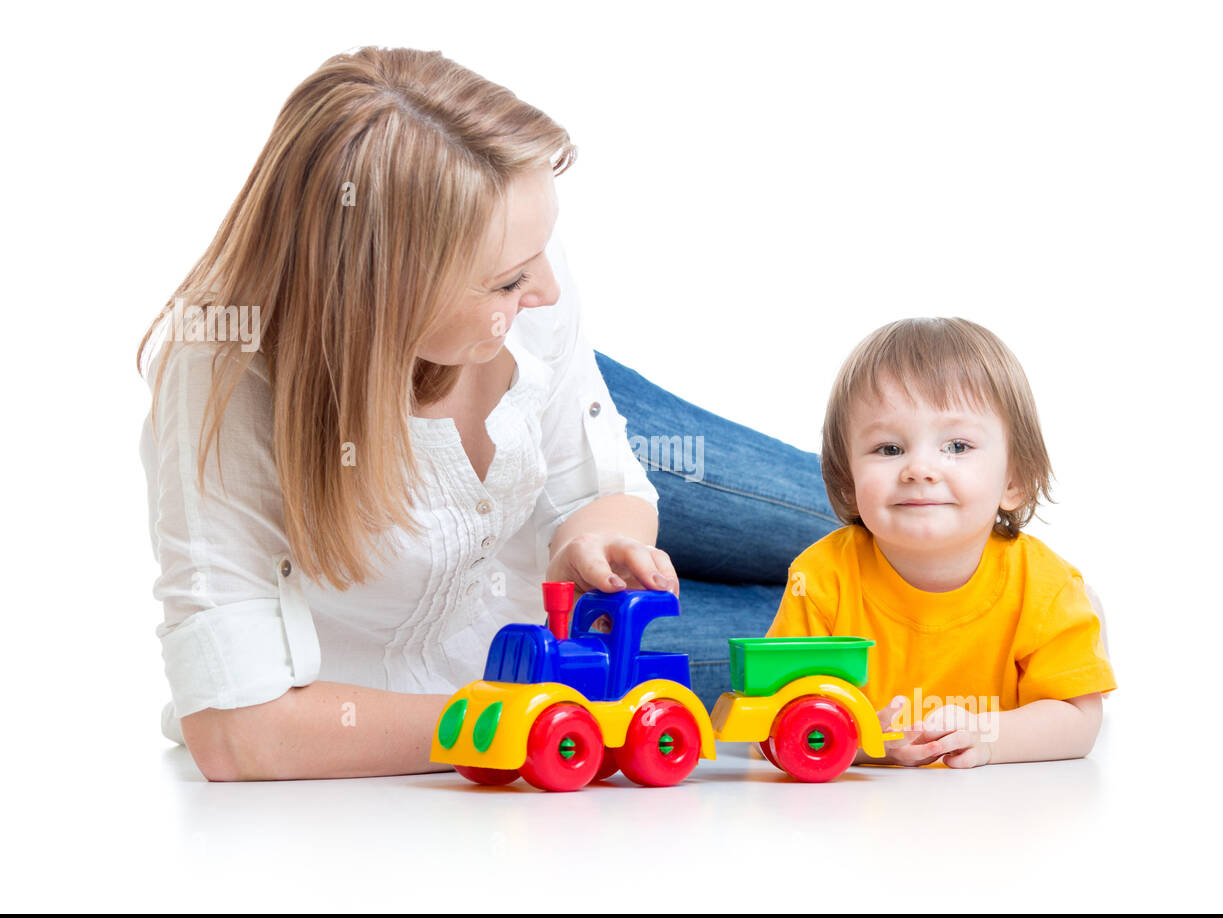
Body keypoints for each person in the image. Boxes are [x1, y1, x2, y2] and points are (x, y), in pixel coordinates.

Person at [138, 46, 834, 781]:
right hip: (503, 666)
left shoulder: (525, 293)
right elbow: (238, 731)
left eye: (540, 253)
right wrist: (518, 718)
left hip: (552, 479)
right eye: (506, 280)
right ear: (380, 294)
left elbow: (598, 486)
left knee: (906, 519)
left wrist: (588, 541)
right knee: (872, 622)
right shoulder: (223, 380)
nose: (548, 293)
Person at [766, 317, 1117, 768]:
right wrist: (861, 741)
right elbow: (775, 723)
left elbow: (1078, 721)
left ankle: (1083, 630)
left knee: (1070, 627)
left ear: (1014, 479)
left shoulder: (1043, 585)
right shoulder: (821, 577)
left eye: (957, 446)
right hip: (867, 826)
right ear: (848, 482)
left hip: (998, 822)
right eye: (889, 449)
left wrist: (988, 737)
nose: (920, 469)